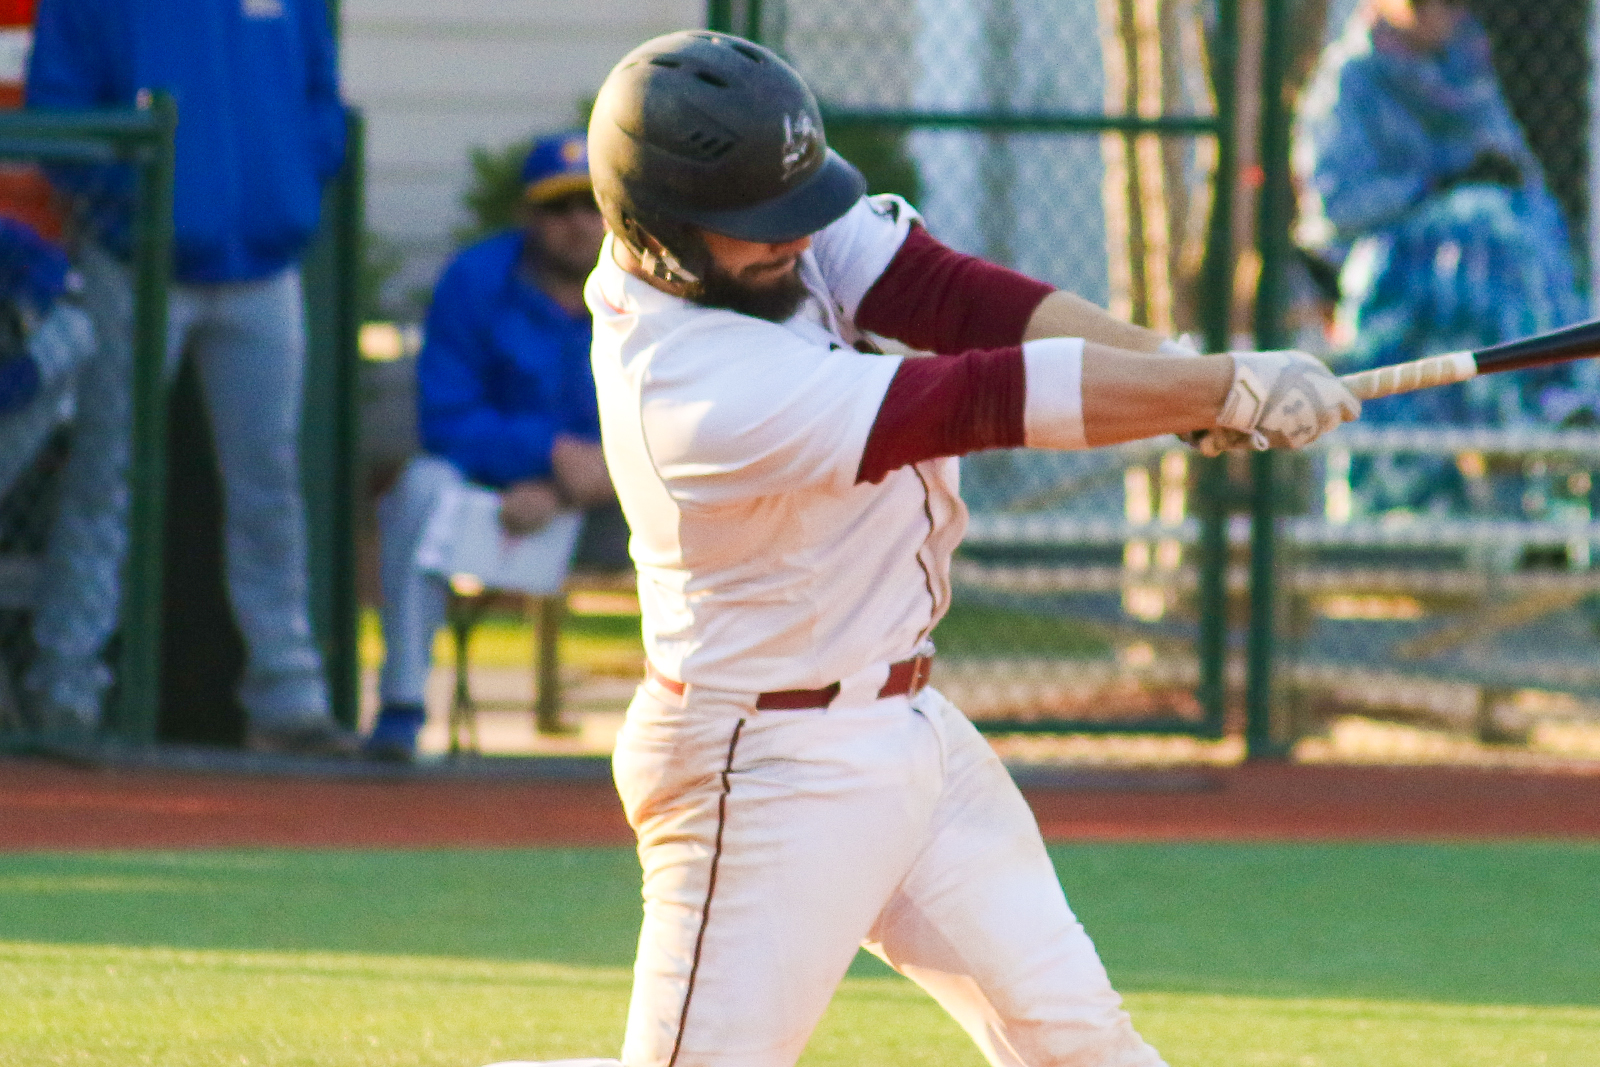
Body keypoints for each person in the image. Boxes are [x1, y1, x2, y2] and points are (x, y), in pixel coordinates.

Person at [484, 31, 1360, 1067]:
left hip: (909, 731)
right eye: (760, 226)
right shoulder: (689, 385)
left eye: (800, 210)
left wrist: (1171, 370)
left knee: (1077, 1038)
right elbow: (974, 396)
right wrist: (1215, 391)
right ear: (663, 230)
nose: (797, 241)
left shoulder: (771, 234)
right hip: (763, 767)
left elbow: (955, 298)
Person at [25, 0, 354, 753]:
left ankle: (288, 697)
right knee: (106, 474)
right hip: (134, 260)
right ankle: (66, 690)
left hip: (264, 264)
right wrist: (133, 207)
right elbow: (62, 113)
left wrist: (289, 189)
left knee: (269, 482)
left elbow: (318, 98)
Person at [364, 131, 618, 762]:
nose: (576, 223)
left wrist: (601, 473)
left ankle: (725, 727)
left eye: (592, 204)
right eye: (557, 207)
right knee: (421, 487)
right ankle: (401, 708)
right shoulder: (478, 280)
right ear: (526, 215)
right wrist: (548, 461)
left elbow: (690, 415)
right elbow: (447, 420)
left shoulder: (653, 285)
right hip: (505, 502)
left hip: (627, 501)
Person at [1294, 0, 1588, 514]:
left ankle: (1552, 431)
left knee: (1504, 224)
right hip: (1393, 270)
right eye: (1428, 4)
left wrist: (1485, 180)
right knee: (1480, 221)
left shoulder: (1469, 75)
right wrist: (1437, 191)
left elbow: (1522, 184)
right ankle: (1546, 406)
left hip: (1481, 279)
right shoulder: (1354, 81)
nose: (1446, 16)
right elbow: (1334, 206)